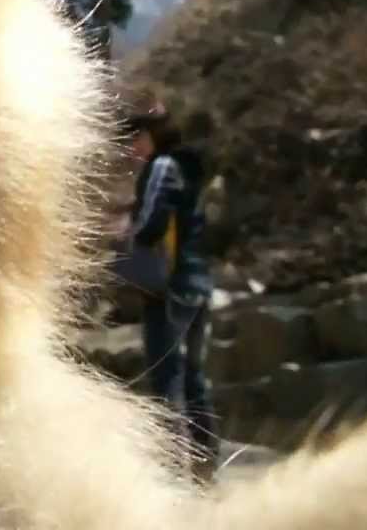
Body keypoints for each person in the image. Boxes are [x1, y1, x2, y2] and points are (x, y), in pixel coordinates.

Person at [122, 101, 219, 479]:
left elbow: (151, 223)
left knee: (165, 378)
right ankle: (205, 464)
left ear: (153, 135)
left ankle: (173, 470)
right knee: (194, 377)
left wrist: (127, 236)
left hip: (169, 288)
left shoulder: (162, 166)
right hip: (198, 284)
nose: (133, 148)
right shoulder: (192, 172)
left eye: (137, 138)